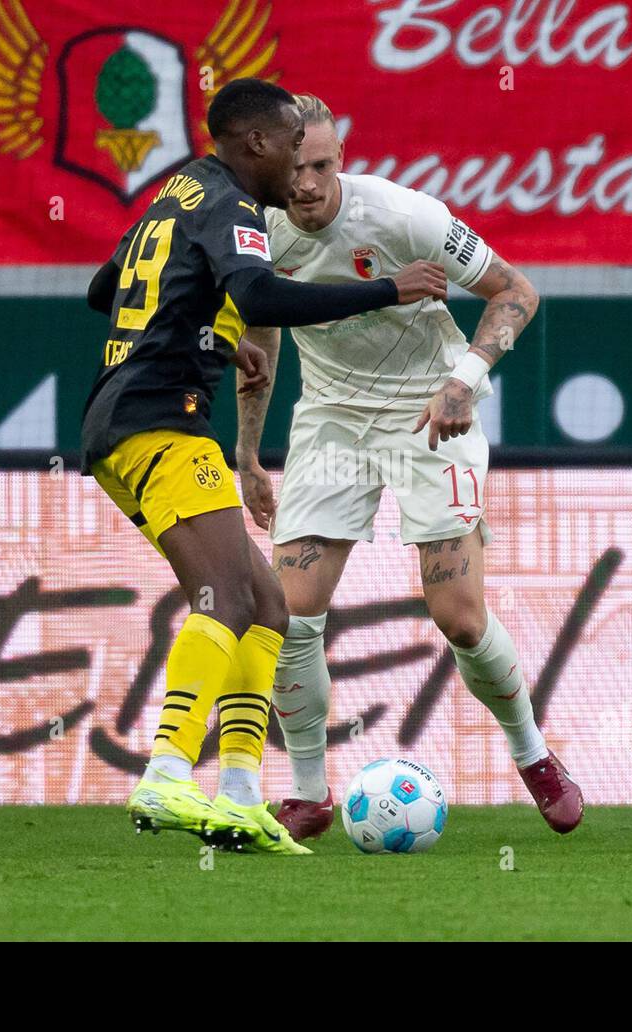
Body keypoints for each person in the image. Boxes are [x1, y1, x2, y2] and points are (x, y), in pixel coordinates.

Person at [80, 78, 447, 855]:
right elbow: (261, 294)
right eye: (289, 147)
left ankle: (240, 795)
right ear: (255, 144)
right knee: (223, 597)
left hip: (131, 420)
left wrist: (212, 333)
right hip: (159, 423)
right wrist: (385, 289)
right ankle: (169, 771)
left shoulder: (175, 190)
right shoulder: (237, 208)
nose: (298, 167)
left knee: (270, 607)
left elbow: (104, 288)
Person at [234, 94, 585, 841]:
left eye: (323, 165)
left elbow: (515, 291)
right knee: (289, 615)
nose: (309, 184)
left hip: (430, 411)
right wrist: (248, 451)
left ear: (341, 159)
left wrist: (467, 376)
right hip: (331, 420)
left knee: (457, 618)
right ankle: (307, 794)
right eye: (296, 168)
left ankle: (533, 753)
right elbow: (259, 333)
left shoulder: (403, 216)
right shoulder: (256, 230)